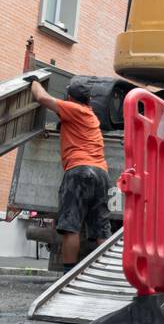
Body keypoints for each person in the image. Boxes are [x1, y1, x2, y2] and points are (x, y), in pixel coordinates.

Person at [29, 78, 112, 272]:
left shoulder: (73, 109)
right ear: (89, 100)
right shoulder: (91, 115)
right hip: (102, 173)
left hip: (79, 170)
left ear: (70, 98)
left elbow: (41, 97)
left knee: (71, 227)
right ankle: (104, 275)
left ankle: (68, 275)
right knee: (101, 229)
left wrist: (34, 81)